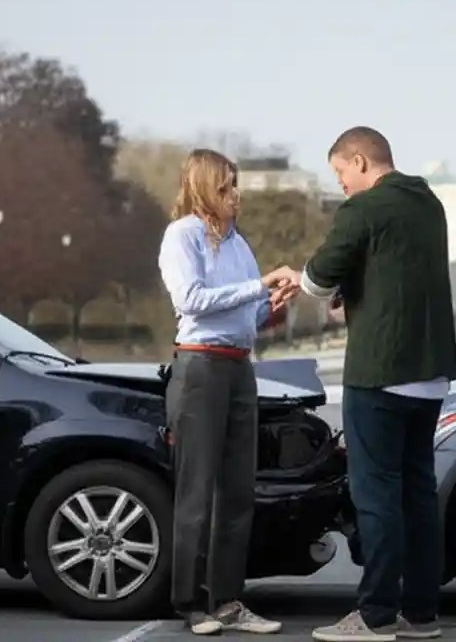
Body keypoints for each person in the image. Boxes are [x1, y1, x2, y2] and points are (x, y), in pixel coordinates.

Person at [277, 127, 456, 642]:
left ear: (360, 161)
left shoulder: (364, 209)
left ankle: (376, 615)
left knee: (375, 496)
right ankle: (422, 615)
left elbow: (317, 277)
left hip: (380, 372)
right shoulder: (428, 204)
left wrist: (305, 277)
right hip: (430, 373)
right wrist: (353, 291)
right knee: (418, 494)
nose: (342, 185)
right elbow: (396, 274)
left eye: (341, 174)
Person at [157, 148, 296, 636]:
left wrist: (271, 307)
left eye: (235, 185)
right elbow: (190, 301)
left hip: (239, 367)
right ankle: (190, 603)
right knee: (197, 491)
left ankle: (229, 601)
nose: (235, 195)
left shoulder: (238, 244)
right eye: (226, 186)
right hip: (200, 367)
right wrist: (258, 286)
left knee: (238, 491)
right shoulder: (182, 236)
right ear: (203, 189)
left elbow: (246, 314)